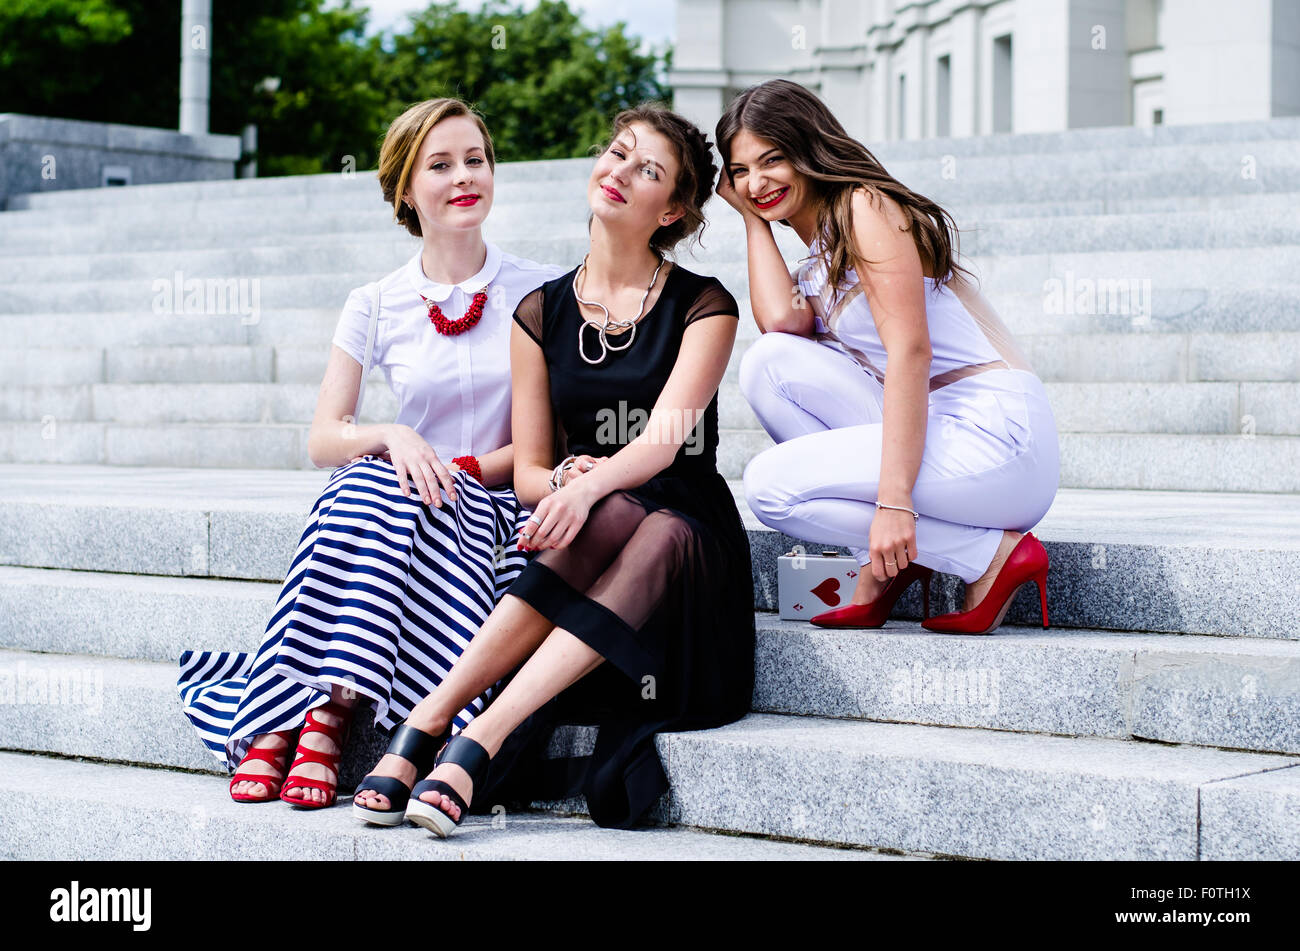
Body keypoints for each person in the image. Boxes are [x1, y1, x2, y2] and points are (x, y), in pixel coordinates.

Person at [351, 103, 755, 834]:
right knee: (610, 511)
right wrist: (569, 484)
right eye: (617, 152)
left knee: (646, 519)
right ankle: (433, 718)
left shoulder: (706, 303)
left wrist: (589, 482)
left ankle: (475, 738)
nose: (620, 172)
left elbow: (664, 442)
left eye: (649, 170)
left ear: (672, 210)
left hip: (691, 557)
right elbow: (530, 471)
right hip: (597, 539)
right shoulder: (539, 312)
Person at [177, 97, 563, 808]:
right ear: (406, 189)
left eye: (475, 160)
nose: (463, 178)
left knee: (377, 491)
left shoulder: (539, 289)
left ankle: (304, 719)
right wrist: (392, 435)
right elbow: (326, 436)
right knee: (368, 480)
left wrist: (461, 468)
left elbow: (551, 442)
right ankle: (323, 708)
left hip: (489, 504)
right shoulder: (376, 300)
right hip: (400, 498)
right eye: (440, 165)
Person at [715, 79, 1059, 635]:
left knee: (769, 487)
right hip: (940, 431)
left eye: (772, 160)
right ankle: (902, 562)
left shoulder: (865, 207)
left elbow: (911, 352)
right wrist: (752, 221)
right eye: (740, 171)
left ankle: (985, 554)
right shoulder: (819, 254)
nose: (757, 182)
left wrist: (894, 502)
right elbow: (780, 322)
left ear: (808, 149)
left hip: (998, 439)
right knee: (768, 363)